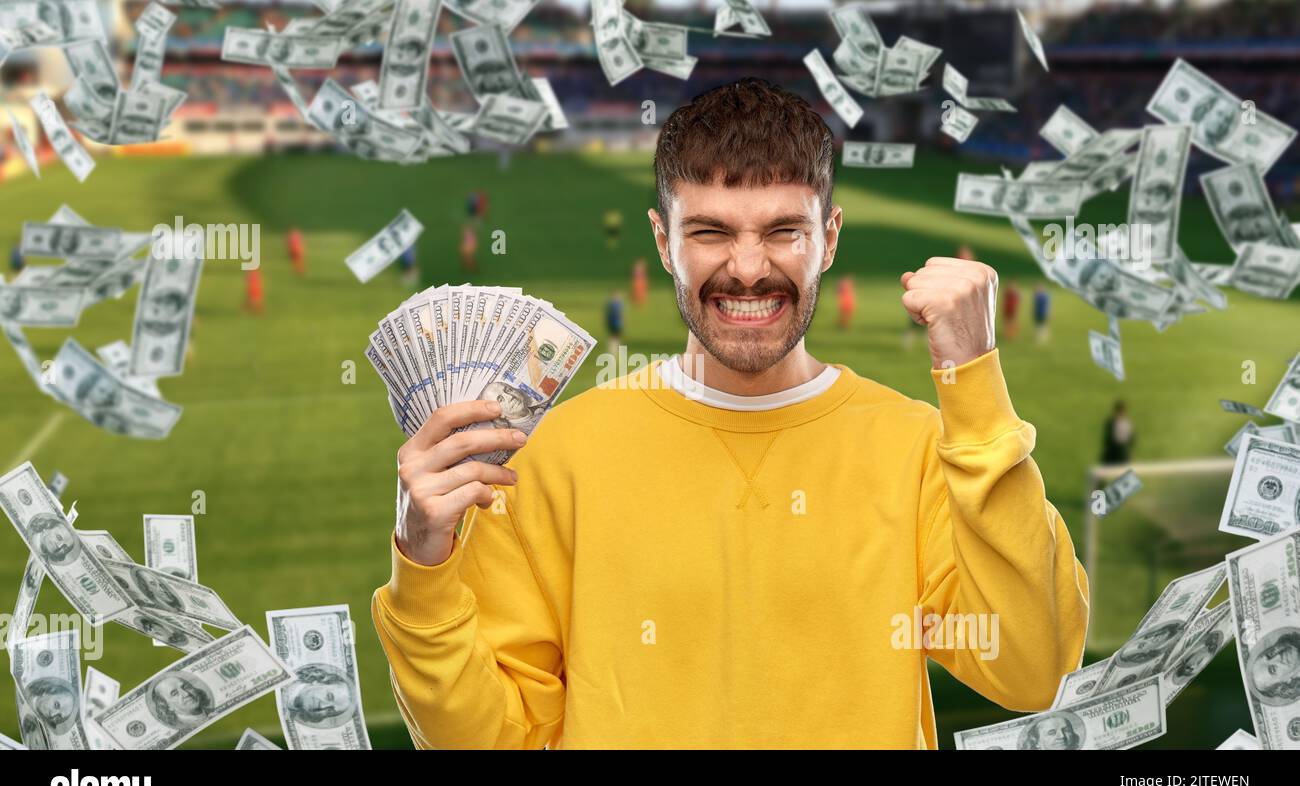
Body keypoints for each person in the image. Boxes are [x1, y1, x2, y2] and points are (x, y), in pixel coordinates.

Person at [373, 78, 1088, 749]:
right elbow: (494, 736)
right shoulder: (557, 456)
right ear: (663, 241)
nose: (748, 267)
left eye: (783, 231)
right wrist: (424, 567)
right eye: (711, 231)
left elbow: (1033, 667)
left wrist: (977, 389)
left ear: (829, 237)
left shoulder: (921, 449)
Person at [1101, 400, 1135, 464]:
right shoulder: (1111, 423)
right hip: (1113, 454)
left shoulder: (1127, 423)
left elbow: (1132, 439)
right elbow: (1107, 440)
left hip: (1124, 454)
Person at [605, 289, 624, 354]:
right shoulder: (616, 305)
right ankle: (613, 349)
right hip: (615, 323)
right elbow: (619, 314)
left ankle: (613, 348)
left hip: (613, 323)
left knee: (614, 337)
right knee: (615, 336)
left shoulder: (612, 304)